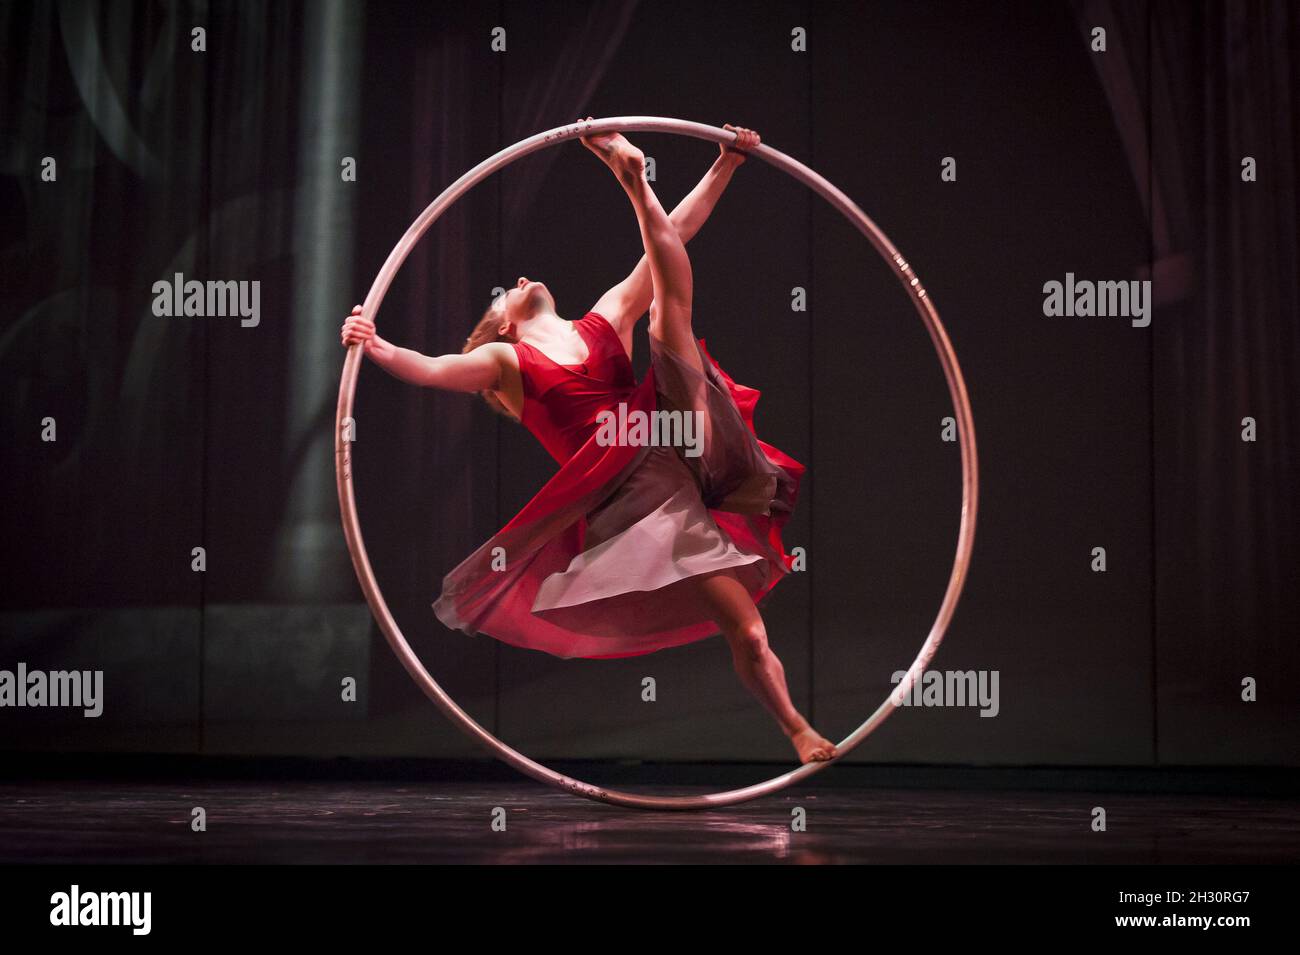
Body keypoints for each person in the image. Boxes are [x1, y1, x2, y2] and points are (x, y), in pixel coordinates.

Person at [341, 120, 836, 763]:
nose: (521, 280)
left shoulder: (603, 318)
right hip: (625, 496)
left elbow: (676, 236)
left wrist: (726, 166)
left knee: (663, 311)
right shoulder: (506, 365)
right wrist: (377, 346)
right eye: (507, 295)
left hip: (671, 443)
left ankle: (636, 180)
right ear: (502, 328)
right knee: (744, 627)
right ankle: (799, 730)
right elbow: (434, 368)